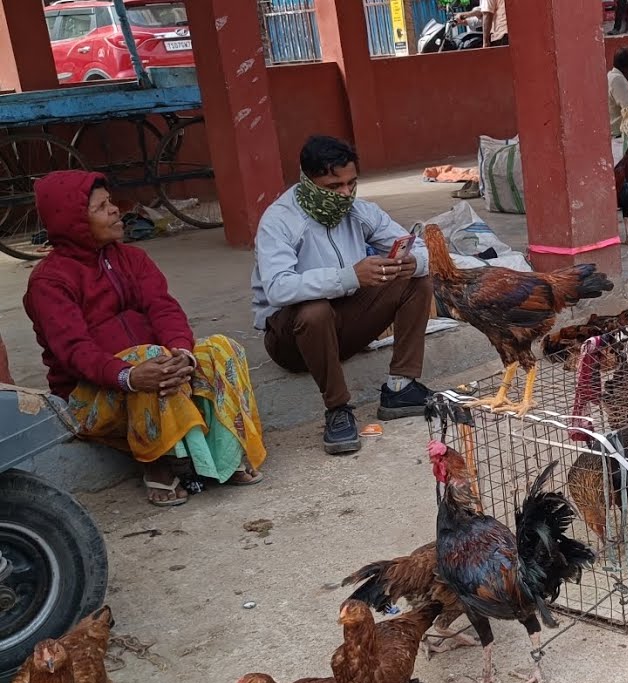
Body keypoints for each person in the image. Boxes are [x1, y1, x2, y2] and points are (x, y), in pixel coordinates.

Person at [23, 170, 267, 508]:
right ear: (72, 221)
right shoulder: (49, 282)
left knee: (221, 348)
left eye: (111, 202)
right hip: (91, 396)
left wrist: (181, 352)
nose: (115, 210)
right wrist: (128, 375)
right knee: (147, 358)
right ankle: (158, 461)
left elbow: (163, 308)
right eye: (101, 207)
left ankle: (225, 456)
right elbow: (75, 351)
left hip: (158, 373)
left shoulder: (133, 259)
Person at [252, 136, 436, 455]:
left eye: (351, 183)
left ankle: (401, 387)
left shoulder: (359, 211)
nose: (346, 193)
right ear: (307, 180)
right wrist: (349, 276)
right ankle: (337, 409)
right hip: (292, 340)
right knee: (314, 310)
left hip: (343, 328)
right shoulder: (278, 221)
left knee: (415, 281)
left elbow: (416, 246)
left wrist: (414, 261)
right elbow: (278, 288)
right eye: (334, 186)